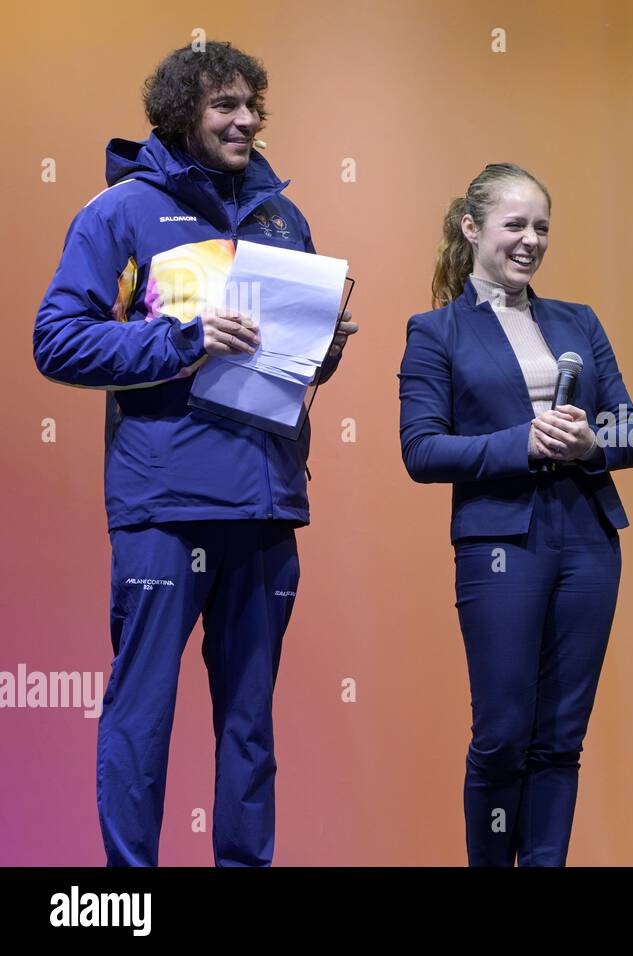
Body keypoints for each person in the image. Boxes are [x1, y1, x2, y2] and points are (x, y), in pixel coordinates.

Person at [32, 42, 357, 866]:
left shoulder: (285, 216)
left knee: (251, 722)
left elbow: (289, 361)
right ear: (183, 113)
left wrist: (323, 346)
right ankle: (127, 896)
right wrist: (181, 340)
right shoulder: (121, 211)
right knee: (142, 714)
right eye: (225, 107)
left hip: (267, 500)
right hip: (166, 502)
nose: (245, 120)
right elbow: (58, 341)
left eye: (253, 107)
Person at [399, 163, 633, 866]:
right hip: (500, 543)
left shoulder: (579, 320)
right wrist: (523, 441)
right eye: (515, 225)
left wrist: (596, 440)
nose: (531, 240)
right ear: (471, 229)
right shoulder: (435, 331)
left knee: (561, 736)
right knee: (504, 732)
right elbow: (421, 449)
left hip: (589, 540)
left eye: (541, 227)